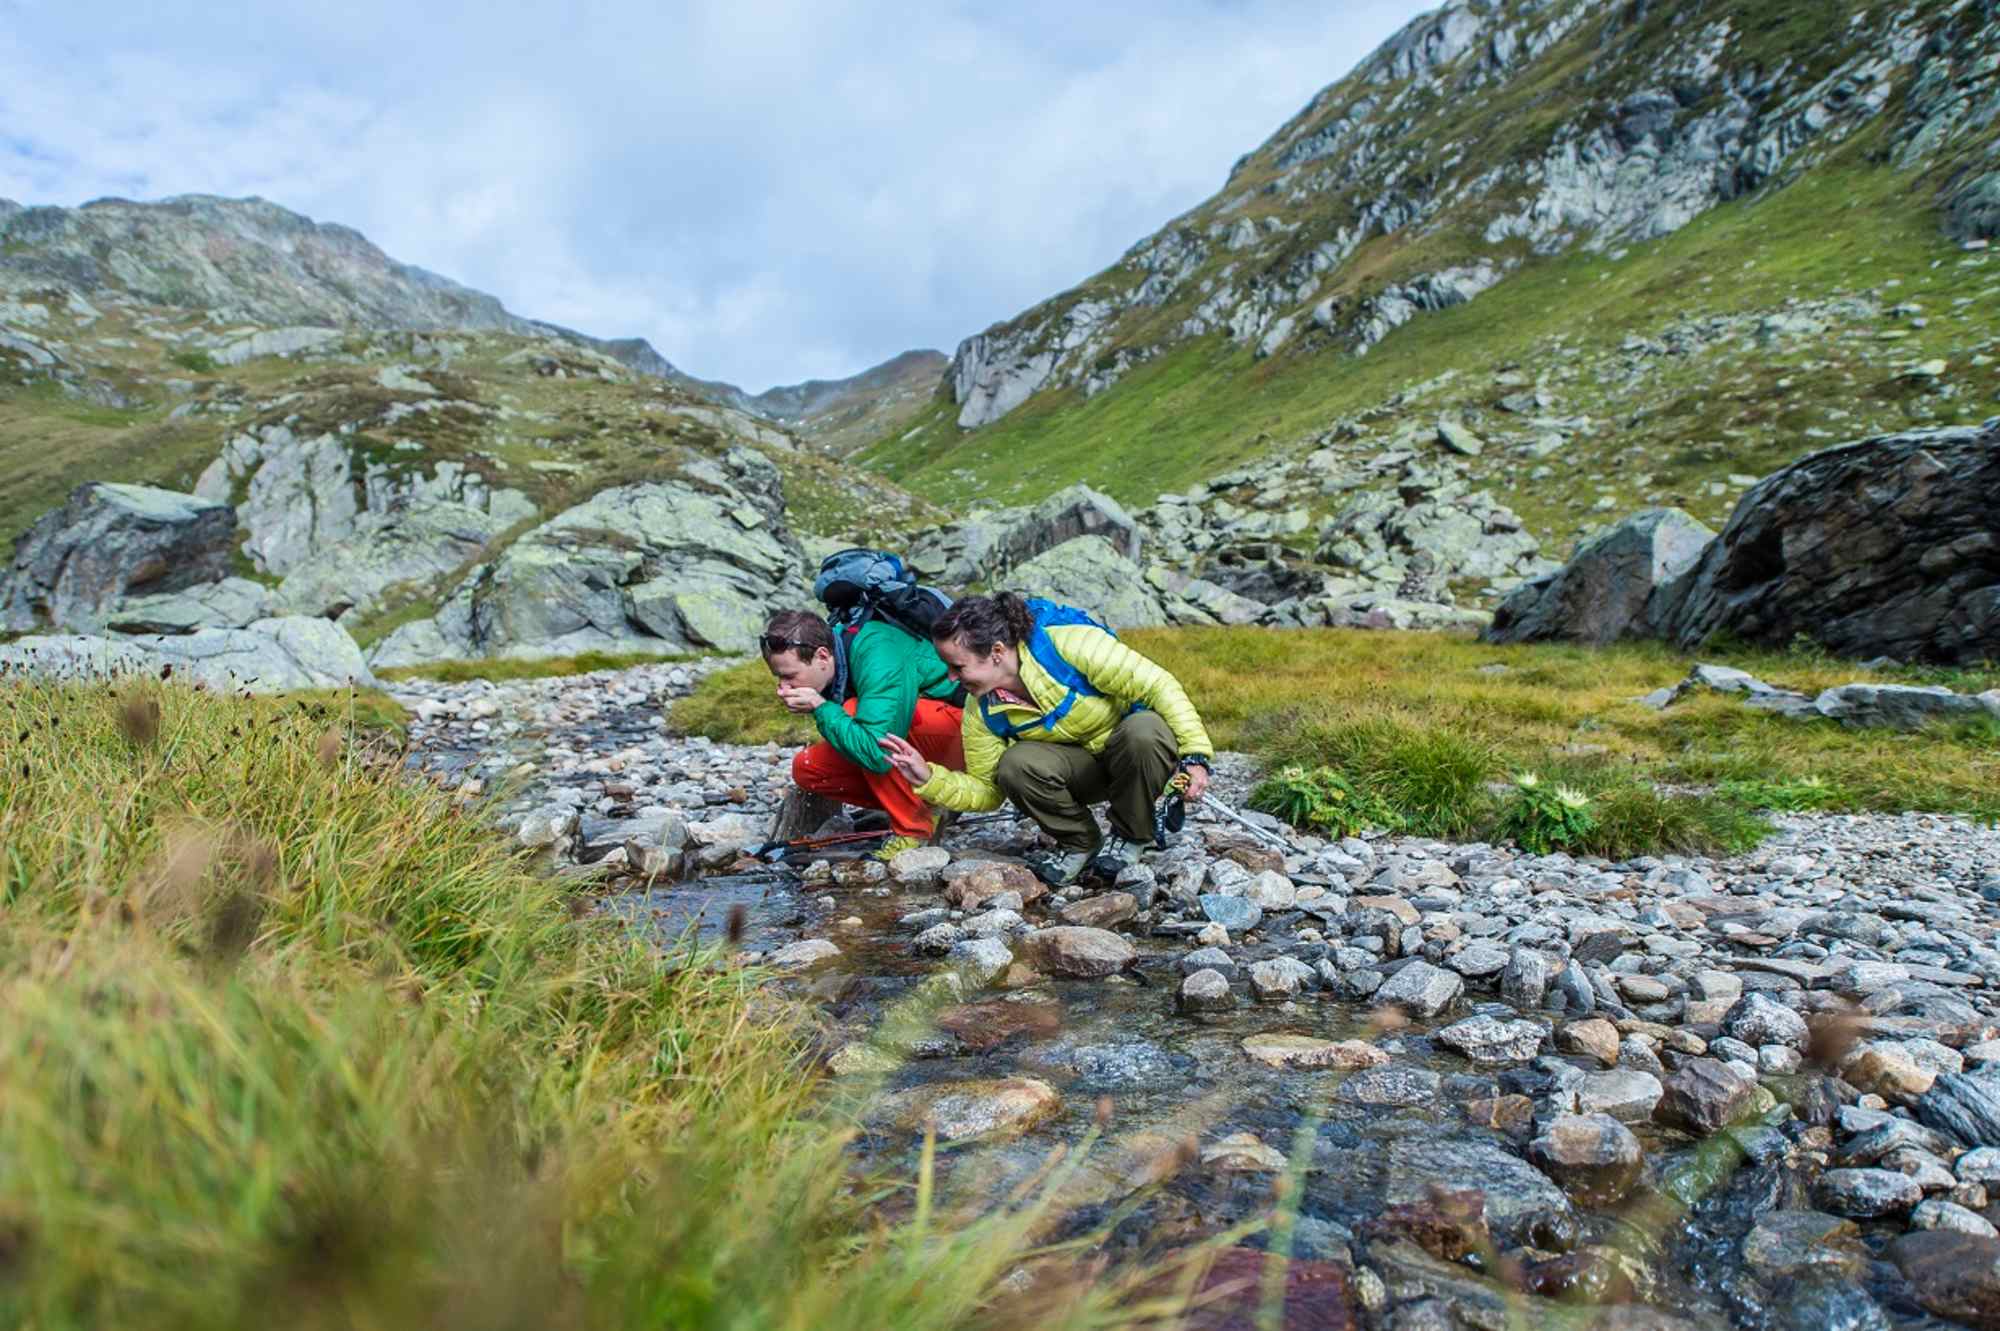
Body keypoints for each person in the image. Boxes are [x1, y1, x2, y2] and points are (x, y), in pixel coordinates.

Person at [879, 592, 1213, 887]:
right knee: (1015, 765)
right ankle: (1080, 842)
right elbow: (989, 790)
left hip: (1133, 755)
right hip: (1081, 773)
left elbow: (1159, 686)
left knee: (1145, 731)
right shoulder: (982, 709)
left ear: (996, 652)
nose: (951, 677)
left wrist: (1195, 756)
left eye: (957, 666)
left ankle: (1132, 834)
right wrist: (928, 778)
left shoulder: (1068, 645)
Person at [761, 608, 964, 860]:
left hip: (965, 734)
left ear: (822, 656)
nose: (782, 689)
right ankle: (926, 806)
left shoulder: (877, 650)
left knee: (857, 718)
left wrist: (821, 707)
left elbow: (877, 752)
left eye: (789, 676)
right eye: (778, 678)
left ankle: (913, 833)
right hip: (916, 737)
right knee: (808, 768)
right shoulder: (836, 657)